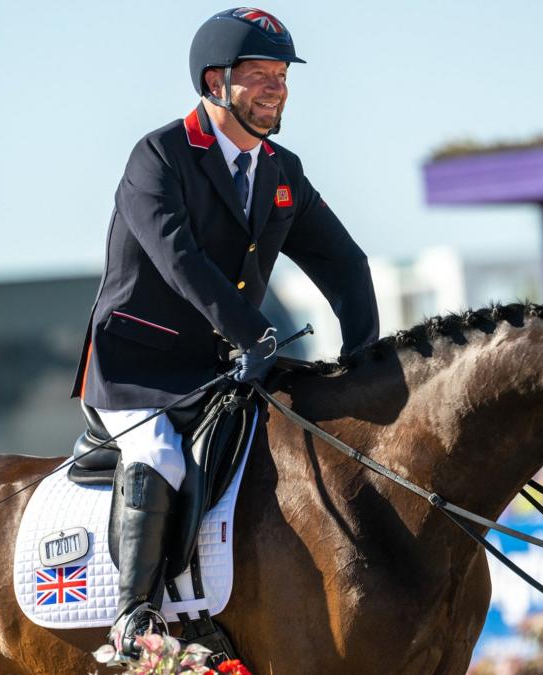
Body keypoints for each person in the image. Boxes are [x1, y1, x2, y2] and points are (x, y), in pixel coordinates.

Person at [69, 7, 379, 659]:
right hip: (135, 370)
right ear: (215, 82)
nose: (277, 88)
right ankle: (134, 618)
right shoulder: (158, 158)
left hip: (221, 370)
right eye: (259, 76)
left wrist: (366, 362)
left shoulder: (281, 172)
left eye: (282, 76)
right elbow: (181, 262)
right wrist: (254, 331)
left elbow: (344, 263)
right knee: (159, 453)